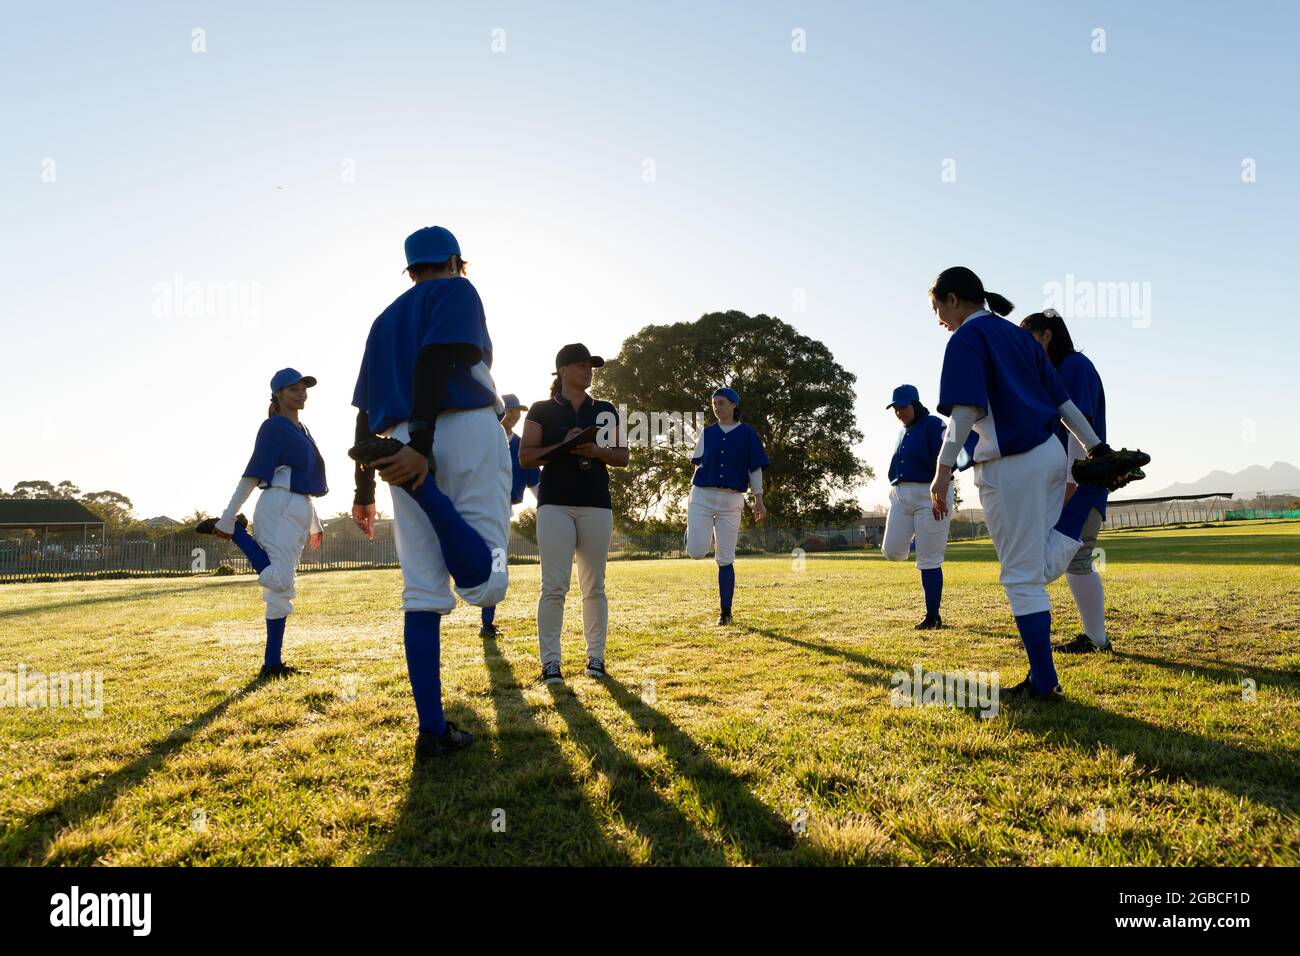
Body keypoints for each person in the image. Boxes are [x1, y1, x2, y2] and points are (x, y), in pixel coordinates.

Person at [927, 266, 1148, 700]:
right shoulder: (1016, 336)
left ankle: (1044, 683)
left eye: (938, 308)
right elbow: (1062, 401)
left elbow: (965, 413)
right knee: (1040, 568)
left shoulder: (967, 338)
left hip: (1012, 465)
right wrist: (1096, 449)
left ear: (954, 300)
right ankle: (1087, 493)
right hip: (1047, 452)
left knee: (1022, 579)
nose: (939, 319)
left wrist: (940, 473)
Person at [348, 225, 512, 760]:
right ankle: (426, 488)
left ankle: (432, 729)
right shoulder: (456, 290)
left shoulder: (382, 318)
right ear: (455, 261)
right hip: (457, 429)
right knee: (486, 582)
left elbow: (364, 412)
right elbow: (437, 360)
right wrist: (421, 448)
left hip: (394, 439)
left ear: (409, 268)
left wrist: (364, 489)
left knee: (421, 590)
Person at [196, 368, 326, 679]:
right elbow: (252, 475)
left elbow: (304, 478)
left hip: (299, 507)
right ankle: (238, 533)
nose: (301, 393)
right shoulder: (273, 427)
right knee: (280, 582)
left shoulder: (304, 429)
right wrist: (228, 519)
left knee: (282, 591)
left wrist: (314, 522)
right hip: (277, 506)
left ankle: (272, 664)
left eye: (303, 388)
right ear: (278, 394)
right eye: (293, 389)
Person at [518, 343, 629, 685]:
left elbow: (623, 456)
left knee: (594, 587)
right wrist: (563, 446)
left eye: (590, 366)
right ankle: (550, 663)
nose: (588, 371)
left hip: (596, 503)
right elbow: (526, 457)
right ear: (562, 371)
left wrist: (597, 450)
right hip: (555, 504)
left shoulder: (606, 409)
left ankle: (596, 659)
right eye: (581, 365)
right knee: (553, 587)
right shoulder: (541, 409)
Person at [1021, 309, 1118, 654]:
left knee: (1078, 557)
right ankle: (1094, 637)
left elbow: (1079, 429)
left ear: (1047, 335)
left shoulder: (1074, 367)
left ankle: (1096, 639)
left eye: (1029, 337)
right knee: (1070, 558)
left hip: (1080, 481)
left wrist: (1069, 484)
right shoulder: (1058, 371)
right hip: (1070, 481)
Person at [685, 387, 768, 625]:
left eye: (721, 403)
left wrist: (758, 500)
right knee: (696, 552)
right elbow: (697, 464)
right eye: (713, 404)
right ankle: (692, 530)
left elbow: (755, 468)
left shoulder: (747, 434)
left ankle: (726, 612)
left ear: (733, 405)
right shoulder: (707, 433)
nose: (716, 407)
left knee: (725, 558)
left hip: (731, 500)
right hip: (702, 496)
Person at [880, 384, 953, 630]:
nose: (899, 412)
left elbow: (951, 450)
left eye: (903, 407)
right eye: (896, 408)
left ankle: (933, 616)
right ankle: (920, 542)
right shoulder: (904, 431)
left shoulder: (933, 424)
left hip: (929, 495)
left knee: (930, 560)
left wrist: (943, 486)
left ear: (916, 404)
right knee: (891, 551)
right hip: (900, 495)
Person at [479, 393, 540, 638]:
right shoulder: (482, 440)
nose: (514, 415)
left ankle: (487, 622)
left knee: (497, 562)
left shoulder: (522, 445)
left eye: (518, 411)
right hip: (476, 506)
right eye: (510, 410)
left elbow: (537, 484)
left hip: (502, 510)